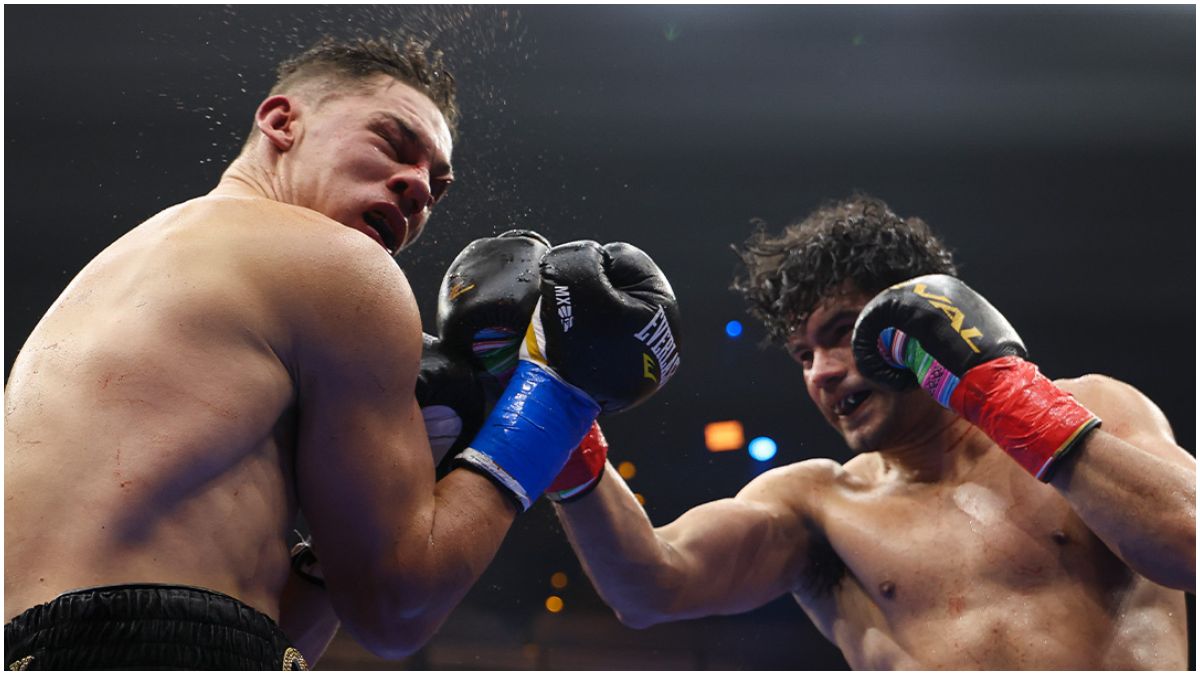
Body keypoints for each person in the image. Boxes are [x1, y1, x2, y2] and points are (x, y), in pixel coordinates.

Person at [4, 35, 681, 670]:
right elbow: (396, 610)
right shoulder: (338, 264)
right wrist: (553, 399)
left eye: (435, 185)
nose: (416, 186)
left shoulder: (133, 265)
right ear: (281, 122)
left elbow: (271, 628)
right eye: (393, 142)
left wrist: (329, 556)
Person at [553, 193, 1195, 669]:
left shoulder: (1090, 405)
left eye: (842, 336)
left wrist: (1013, 402)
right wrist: (560, 416)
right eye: (804, 356)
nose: (823, 374)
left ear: (916, 321)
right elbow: (650, 584)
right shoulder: (816, 505)